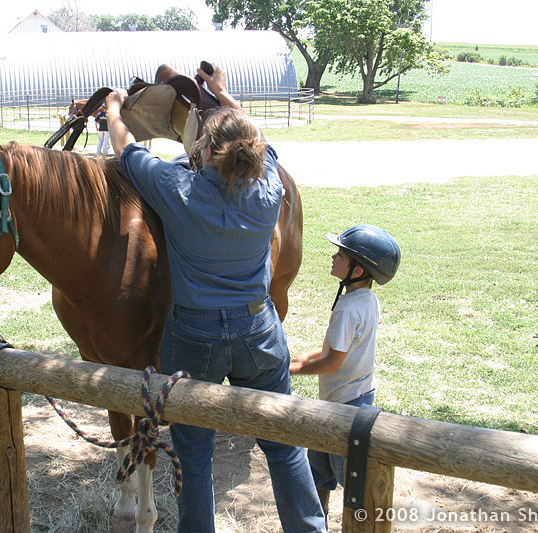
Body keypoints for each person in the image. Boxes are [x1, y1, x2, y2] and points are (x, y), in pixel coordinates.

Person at [105, 65, 326, 533]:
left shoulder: (175, 187)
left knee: (195, 452)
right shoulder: (269, 188)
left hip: (194, 335)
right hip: (259, 331)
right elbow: (259, 140)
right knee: (285, 445)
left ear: (202, 152)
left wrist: (113, 109)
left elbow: (123, 148)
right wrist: (224, 94)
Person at [289, 224, 400, 519]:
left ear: (359, 270)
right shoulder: (366, 301)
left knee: (353, 482)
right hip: (351, 397)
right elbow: (334, 350)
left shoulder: (348, 309)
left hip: (345, 406)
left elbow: (332, 362)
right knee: (320, 470)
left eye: (341, 255)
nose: (333, 257)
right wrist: (298, 360)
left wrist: (295, 371)